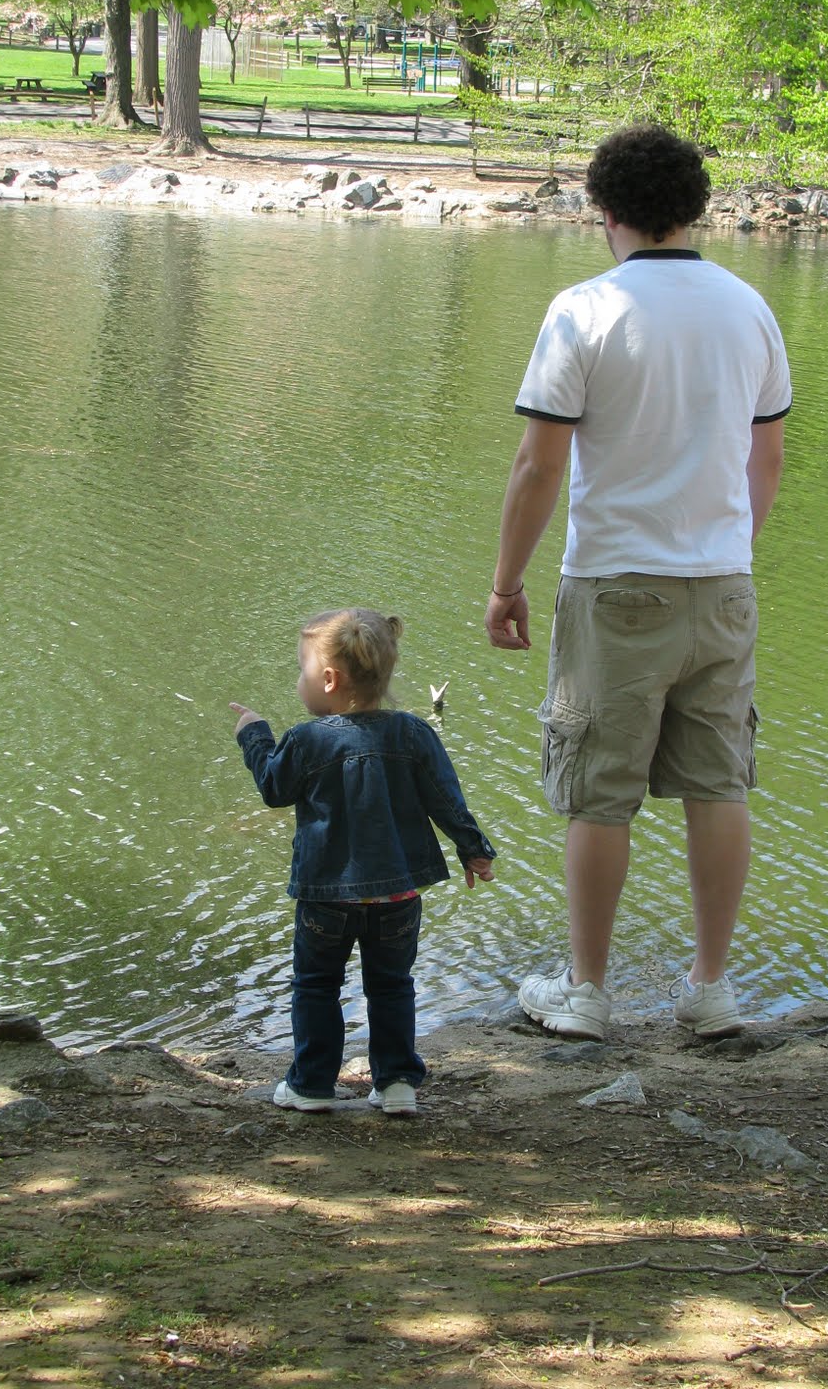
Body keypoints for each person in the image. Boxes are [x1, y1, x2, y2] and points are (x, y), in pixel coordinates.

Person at [485, 122, 791, 1042]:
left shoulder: (584, 308)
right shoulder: (749, 308)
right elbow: (766, 456)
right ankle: (711, 991)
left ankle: (586, 993)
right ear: (694, 207)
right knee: (718, 785)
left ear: (603, 210)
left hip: (616, 585)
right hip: (723, 585)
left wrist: (506, 584)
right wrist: (726, 548)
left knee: (597, 791)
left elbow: (538, 468)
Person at [231, 608, 496, 1115]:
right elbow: (446, 798)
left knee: (315, 985)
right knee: (392, 985)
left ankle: (311, 1084)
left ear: (329, 680)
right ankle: (396, 1082)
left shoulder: (306, 741)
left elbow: (273, 787)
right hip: (397, 895)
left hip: (325, 895)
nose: (299, 681)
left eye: (302, 670)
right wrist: (474, 849)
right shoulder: (414, 734)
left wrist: (255, 734)